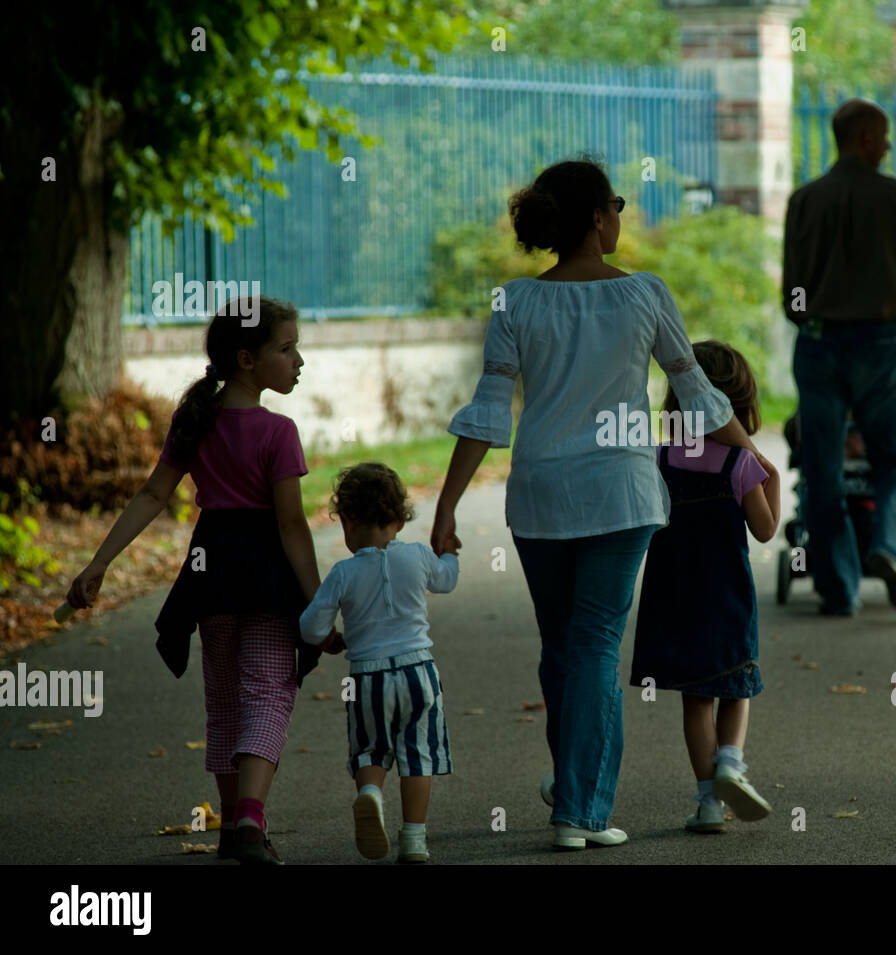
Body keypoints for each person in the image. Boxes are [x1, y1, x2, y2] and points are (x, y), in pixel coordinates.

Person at [430, 157, 766, 851]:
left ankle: (574, 782)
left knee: (563, 648)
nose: (620, 216)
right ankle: (580, 809)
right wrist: (754, 459)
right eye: (615, 204)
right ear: (594, 217)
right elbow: (699, 396)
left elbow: (489, 414)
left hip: (541, 496)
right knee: (590, 648)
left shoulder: (515, 301)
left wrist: (446, 507)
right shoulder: (645, 294)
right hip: (620, 494)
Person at [66, 297, 334, 866]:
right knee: (268, 695)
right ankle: (250, 823)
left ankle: (232, 830)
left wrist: (100, 562)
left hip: (209, 574)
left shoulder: (197, 423)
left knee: (225, 703)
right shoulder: (278, 431)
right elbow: (290, 524)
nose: (299, 360)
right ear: (246, 359)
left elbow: (152, 495)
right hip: (264, 576)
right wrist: (318, 602)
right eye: (286, 349)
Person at [629, 340, 779, 833]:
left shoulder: (660, 457)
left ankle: (708, 804)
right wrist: (769, 476)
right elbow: (765, 529)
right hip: (726, 595)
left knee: (696, 701)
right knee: (738, 682)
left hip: (672, 596)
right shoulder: (739, 465)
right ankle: (731, 763)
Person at [782, 99, 896, 614]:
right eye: (883, 137)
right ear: (865, 138)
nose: (887, 146)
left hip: (819, 342)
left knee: (821, 468)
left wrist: (812, 318)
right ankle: (888, 548)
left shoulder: (804, 200)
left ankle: (838, 590)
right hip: (881, 342)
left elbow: (792, 287)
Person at [299, 463, 459, 864]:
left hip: (367, 677)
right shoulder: (419, 557)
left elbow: (309, 625)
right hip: (419, 672)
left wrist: (330, 639)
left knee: (370, 749)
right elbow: (446, 580)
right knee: (417, 754)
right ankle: (415, 840)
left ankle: (369, 794)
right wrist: (450, 554)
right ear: (401, 519)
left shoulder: (343, 572)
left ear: (348, 521)